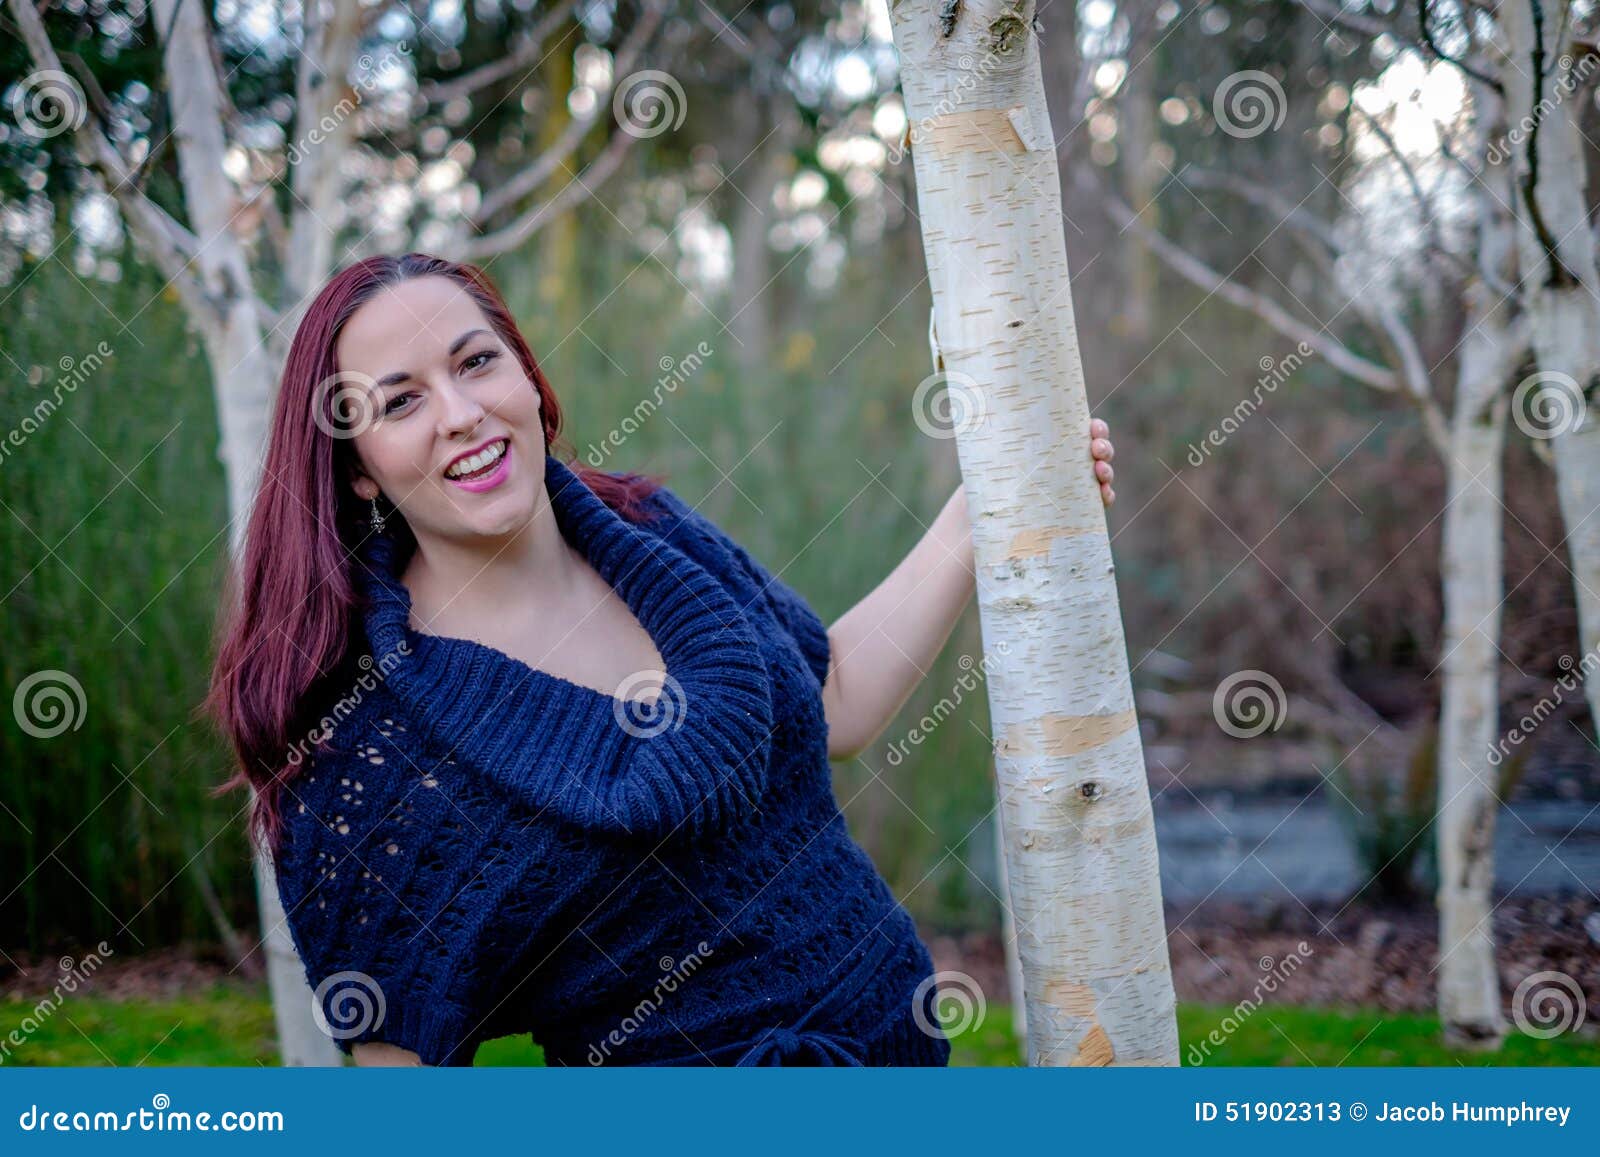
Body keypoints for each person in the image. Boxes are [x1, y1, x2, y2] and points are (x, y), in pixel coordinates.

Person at [207, 252, 1117, 1067]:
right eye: (400, 401)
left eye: (475, 361)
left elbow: (836, 693)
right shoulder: (376, 750)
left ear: (524, 375)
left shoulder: (657, 535)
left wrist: (981, 511)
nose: (460, 413)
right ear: (358, 467)